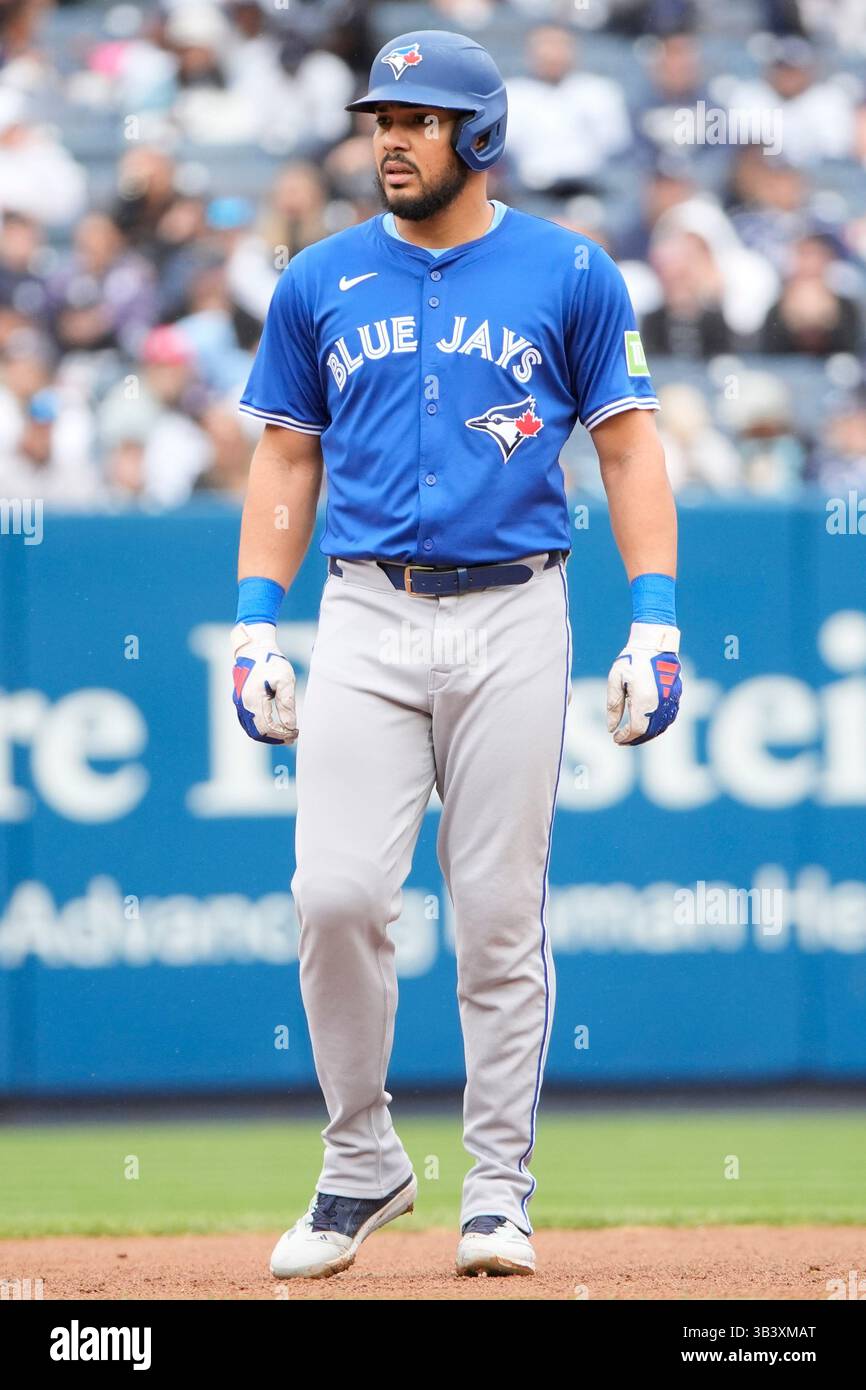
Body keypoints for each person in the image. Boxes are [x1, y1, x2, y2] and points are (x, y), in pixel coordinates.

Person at [231, 29, 683, 1281]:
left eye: (418, 119)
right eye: (381, 117)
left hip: (514, 609)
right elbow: (285, 454)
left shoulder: (570, 269)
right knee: (333, 895)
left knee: (493, 916)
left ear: (477, 135)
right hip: (364, 610)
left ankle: (494, 1190)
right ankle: (360, 1162)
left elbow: (627, 446)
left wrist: (654, 620)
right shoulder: (318, 277)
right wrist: (255, 620)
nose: (390, 137)